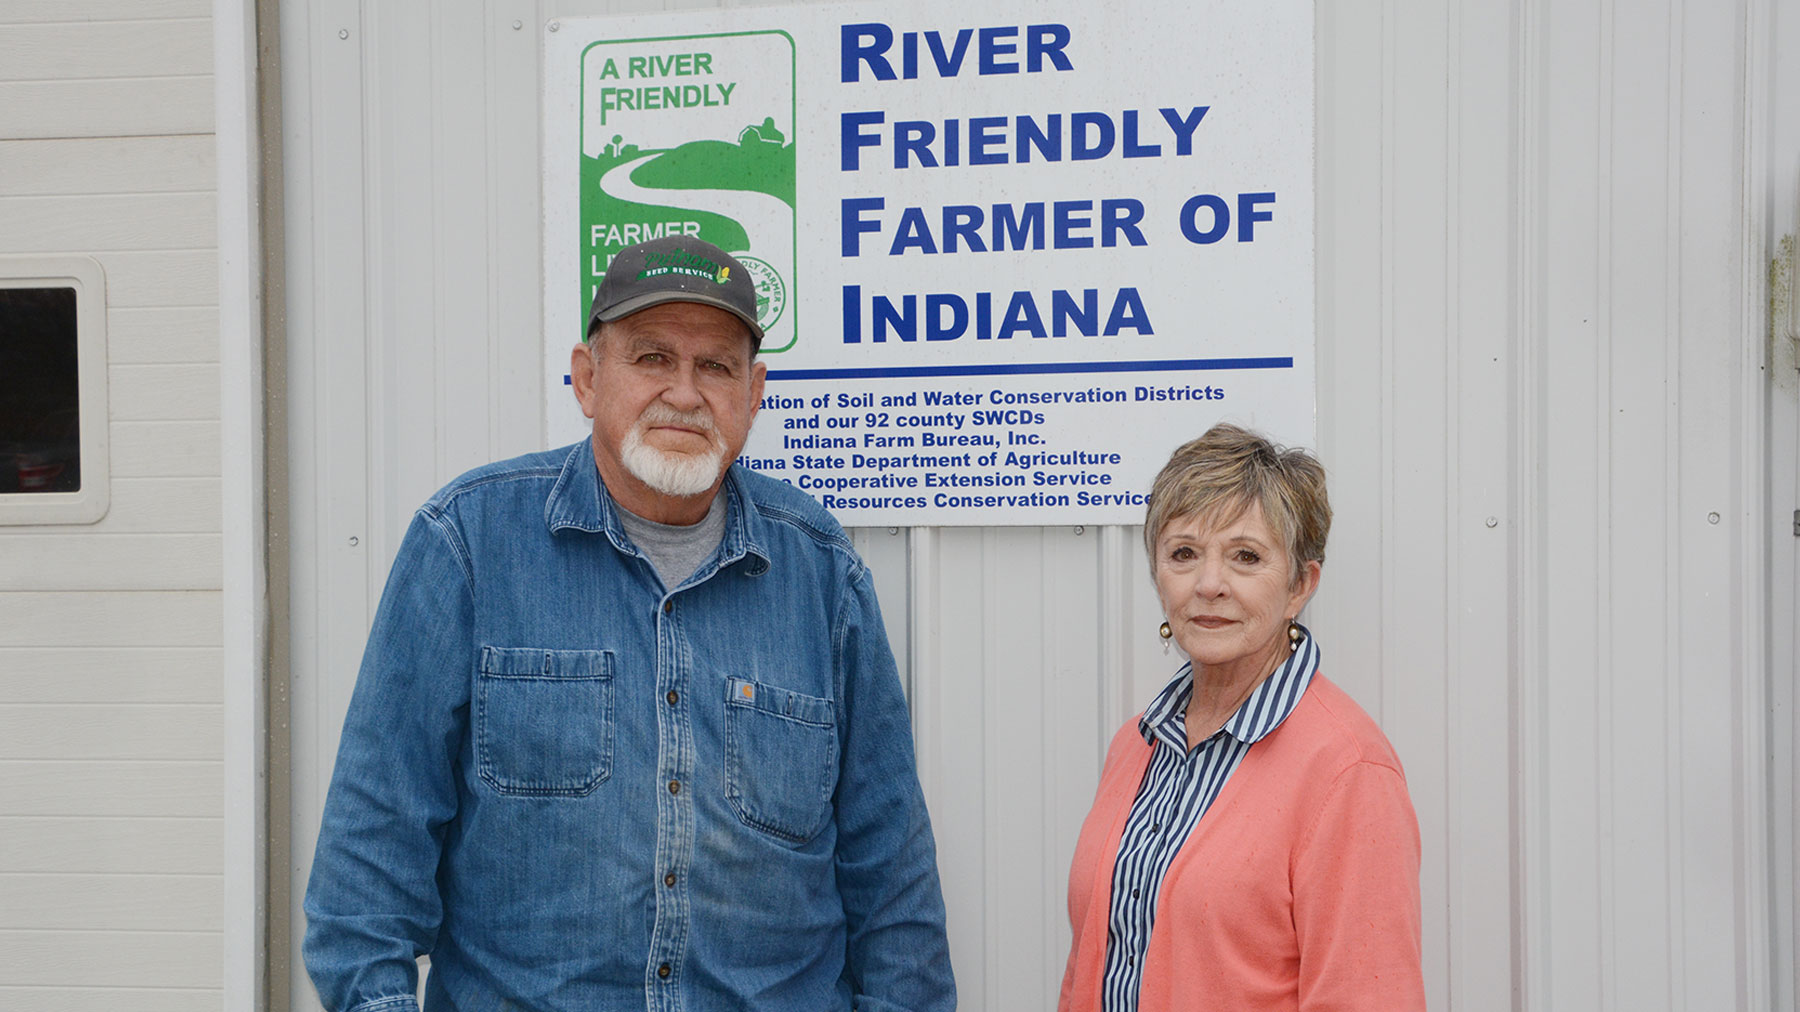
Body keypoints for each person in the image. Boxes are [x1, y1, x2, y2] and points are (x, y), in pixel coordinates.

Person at [303, 237, 955, 1012]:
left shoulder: (822, 573)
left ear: (753, 392)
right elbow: (368, 864)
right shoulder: (469, 545)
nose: (684, 392)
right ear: (586, 378)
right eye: (651, 357)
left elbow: (893, 885)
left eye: (714, 366)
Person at [1058, 423, 1424, 1012]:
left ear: (1300, 585)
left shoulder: (1348, 772)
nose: (1208, 585)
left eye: (1245, 557)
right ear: (1157, 575)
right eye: (1183, 554)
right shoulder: (1138, 744)